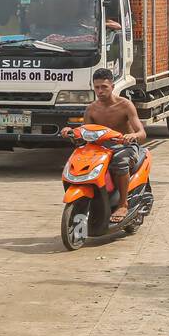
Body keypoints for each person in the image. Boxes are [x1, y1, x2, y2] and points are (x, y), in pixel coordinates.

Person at [62, 68, 146, 223]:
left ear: (112, 87)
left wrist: (132, 136)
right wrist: (70, 132)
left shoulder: (125, 105)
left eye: (104, 87)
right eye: (97, 87)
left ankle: (123, 204)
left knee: (119, 162)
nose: (100, 91)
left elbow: (142, 133)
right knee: (78, 161)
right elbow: (85, 133)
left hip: (124, 146)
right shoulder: (91, 109)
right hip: (100, 149)